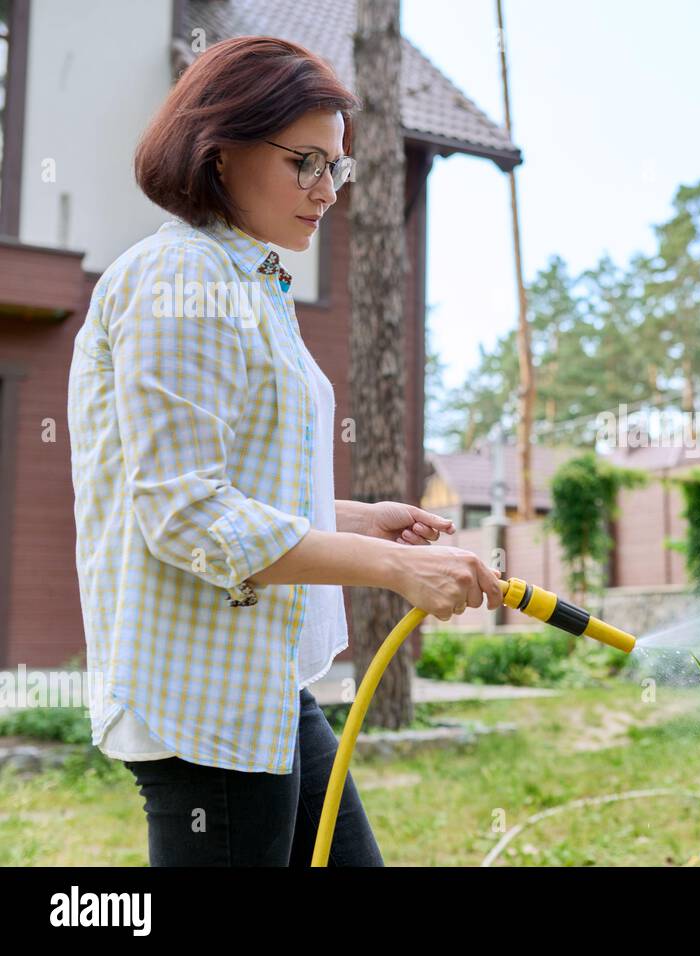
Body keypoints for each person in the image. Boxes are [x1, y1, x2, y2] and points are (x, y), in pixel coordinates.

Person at [66, 35, 503, 866]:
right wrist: (393, 571)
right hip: (204, 706)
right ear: (219, 150)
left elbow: (234, 487)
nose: (326, 190)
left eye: (336, 168)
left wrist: (355, 521)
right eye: (305, 162)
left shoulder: (248, 283)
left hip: (264, 689)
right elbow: (186, 512)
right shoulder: (180, 282)